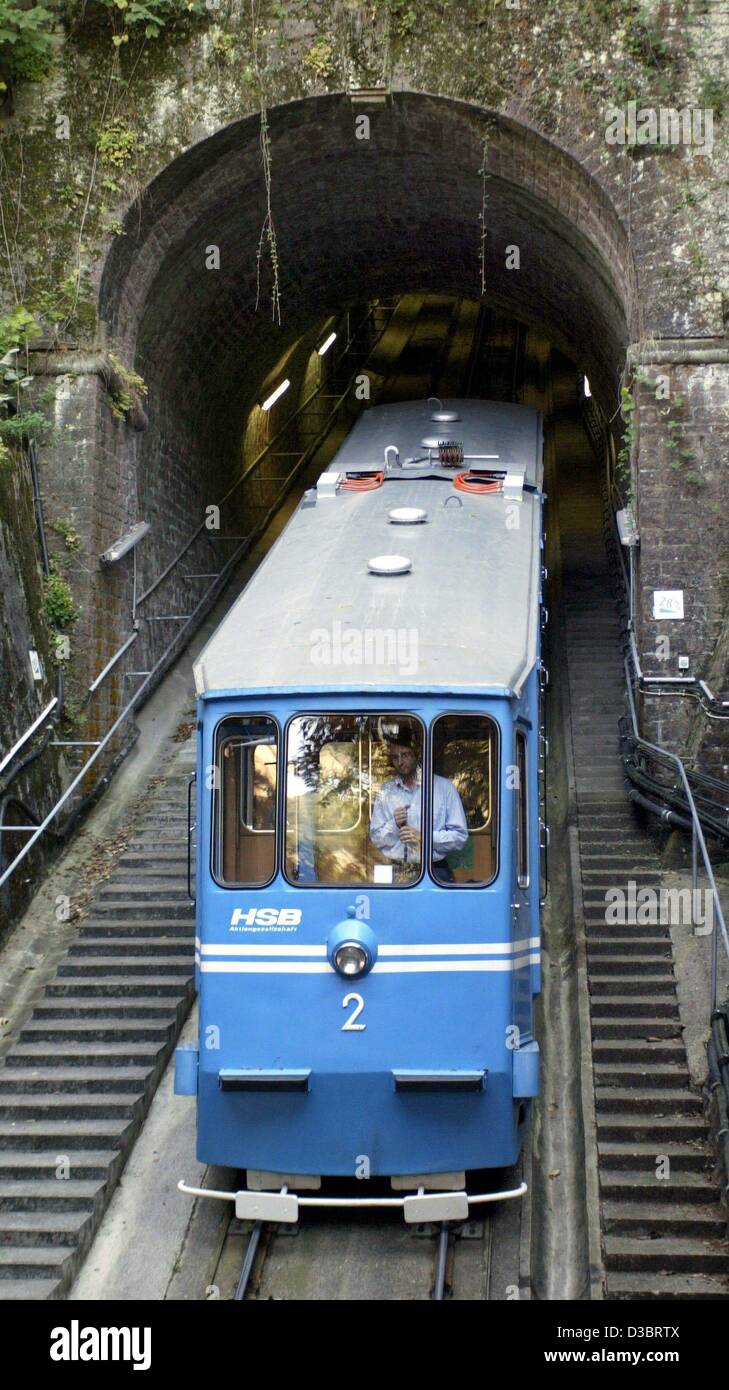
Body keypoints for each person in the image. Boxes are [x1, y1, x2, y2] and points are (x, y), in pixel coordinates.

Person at [369, 732, 468, 883]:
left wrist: (424, 838)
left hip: (435, 871)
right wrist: (394, 824)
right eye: (395, 757)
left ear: (417, 755)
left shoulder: (444, 788)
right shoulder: (386, 791)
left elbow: (459, 837)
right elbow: (376, 838)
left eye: (405, 755)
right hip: (395, 870)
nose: (400, 762)